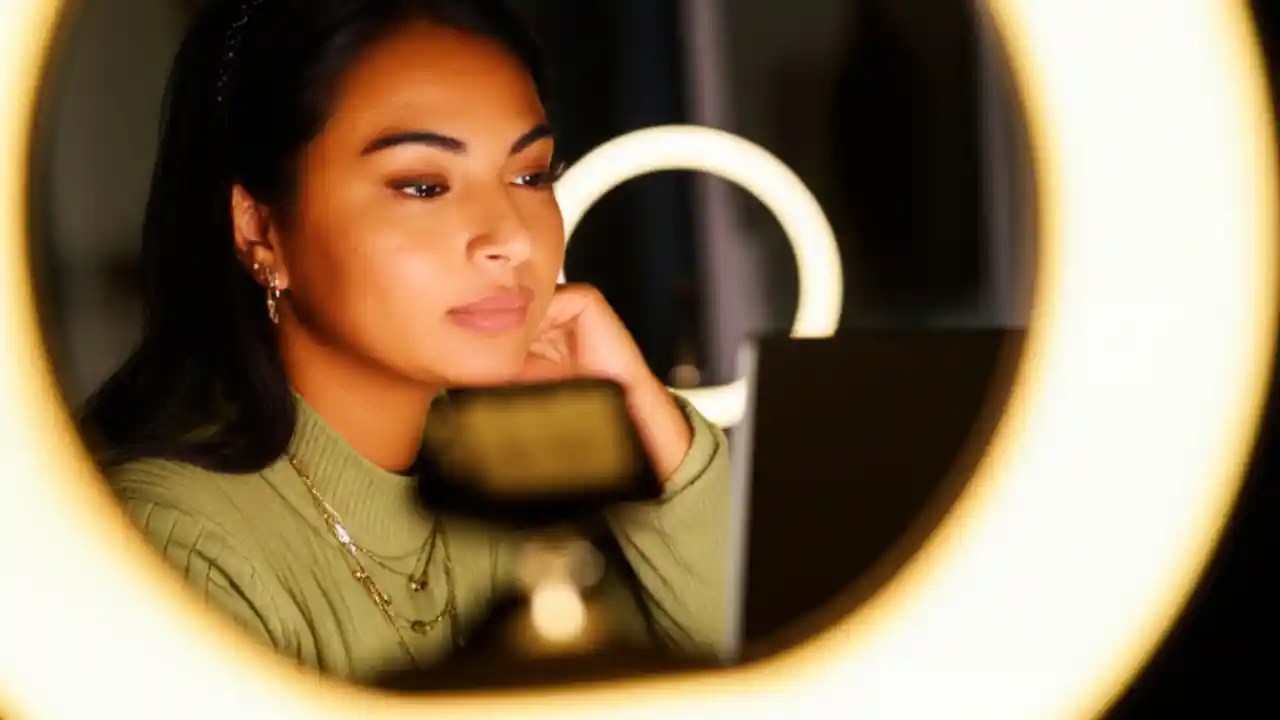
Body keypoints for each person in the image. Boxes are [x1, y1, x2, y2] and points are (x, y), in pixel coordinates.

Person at [79, 0, 730, 681]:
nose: (509, 238)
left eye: (531, 175)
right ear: (259, 232)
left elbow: (763, 673)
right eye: (424, 186)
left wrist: (646, 416)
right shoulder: (173, 549)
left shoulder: (534, 482)